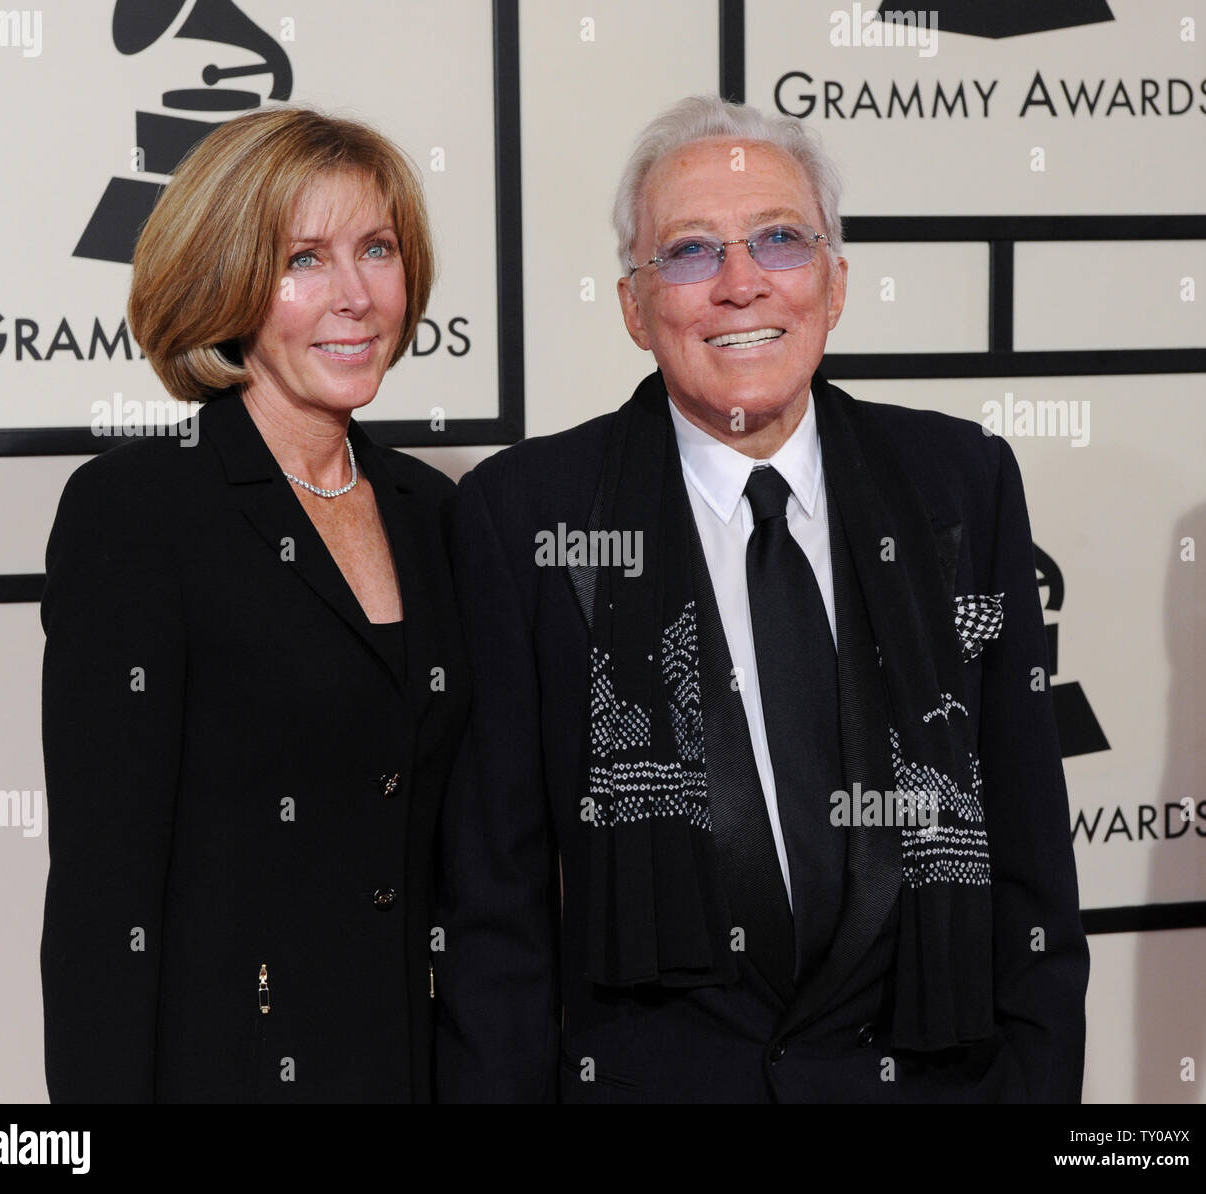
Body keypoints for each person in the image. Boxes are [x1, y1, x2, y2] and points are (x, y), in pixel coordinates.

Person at [435, 94, 1088, 1103]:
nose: (741, 285)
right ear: (633, 305)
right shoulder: (523, 516)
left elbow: (1030, 859)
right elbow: (498, 914)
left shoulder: (957, 481)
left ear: (833, 283)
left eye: (779, 240)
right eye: (691, 253)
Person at [39, 106, 469, 1102]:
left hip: (416, 1065)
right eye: (304, 260)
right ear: (226, 281)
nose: (356, 296)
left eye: (376, 250)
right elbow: (107, 899)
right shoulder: (138, 514)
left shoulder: (435, 510)